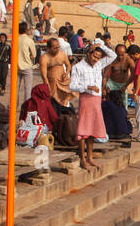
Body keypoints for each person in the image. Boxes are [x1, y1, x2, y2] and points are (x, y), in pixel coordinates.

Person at [69, 41, 115, 170]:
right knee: (83, 130)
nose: (96, 60)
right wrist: (87, 87)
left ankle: (90, 157)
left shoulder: (99, 65)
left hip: (96, 100)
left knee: (93, 130)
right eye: (94, 57)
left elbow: (113, 56)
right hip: (86, 99)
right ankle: (83, 158)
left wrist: (101, 45)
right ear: (88, 54)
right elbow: (72, 86)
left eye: (98, 58)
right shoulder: (78, 67)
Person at [40, 36, 75, 113]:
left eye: (58, 47)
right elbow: (44, 75)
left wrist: (66, 73)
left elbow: (68, 65)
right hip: (52, 83)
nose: (57, 49)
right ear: (49, 48)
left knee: (65, 101)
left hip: (63, 81)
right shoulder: (44, 58)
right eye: (55, 47)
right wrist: (47, 87)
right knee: (54, 103)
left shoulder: (62, 54)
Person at [15, 20, 37, 108]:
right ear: (26, 30)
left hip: (16, 66)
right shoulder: (28, 40)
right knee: (27, 89)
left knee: (15, 89)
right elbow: (34, 54)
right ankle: (26, 107)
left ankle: (13, 105)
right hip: (27, 66)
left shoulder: (15, 39)